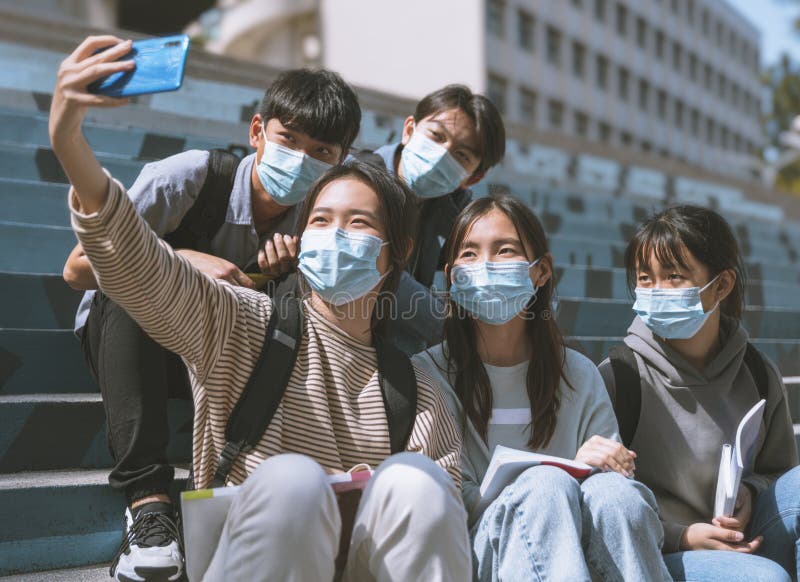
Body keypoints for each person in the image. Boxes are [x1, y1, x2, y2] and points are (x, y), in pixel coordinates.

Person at [51, 36, 470, 582]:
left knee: (420, 485)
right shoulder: (196, 186)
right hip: (156, 331)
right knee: (289, 479)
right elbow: (108, 258)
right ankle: (149, 500)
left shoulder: (417, 388)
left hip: (242, 350)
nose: (334, 235)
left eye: (359, 223)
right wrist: (68, 139)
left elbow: (429, 316)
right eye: (322, 221)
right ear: (257, 132)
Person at [60, 51, 362, 581]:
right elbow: (78, 269)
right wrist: (180, 260)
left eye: (321, 151)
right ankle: (149, 503)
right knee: (134, 292)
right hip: (127, 343)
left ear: (339, 160)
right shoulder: (189, 178)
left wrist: (282, 282)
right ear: (257, 132)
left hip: (213, 361)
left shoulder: (317, 226)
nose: (300, 158)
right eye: (288, 139)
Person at [413, 194, 671, 581]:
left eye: (505, 251)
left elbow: (616, 493)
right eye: (469, 253)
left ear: (541, 271)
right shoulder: (428, 372)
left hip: (578, 550)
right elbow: (447, 503)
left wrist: (603, 466)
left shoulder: (578, 374)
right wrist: (552, 480)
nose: (485, 265)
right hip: (481, 553)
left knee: (616, 495)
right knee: (545, 484)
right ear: (452, 275)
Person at [598, 205, 800, 582]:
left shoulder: (758, 373)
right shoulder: (619, 377)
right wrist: (683, 536)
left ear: (721, 286)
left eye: (673, 277)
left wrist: (752, 493)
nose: (656, 292)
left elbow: (781, 475)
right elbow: (606, 505)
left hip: (747, 537)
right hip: (664, 553)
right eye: (645, 278)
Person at [356, 84, 506, 354]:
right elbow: (372, 273)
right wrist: (450, 328)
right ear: (409, 130)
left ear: (473, 177)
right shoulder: (355, 180)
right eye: (436, 136)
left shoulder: (457, 214)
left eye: (460, 155)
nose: (441, 154)